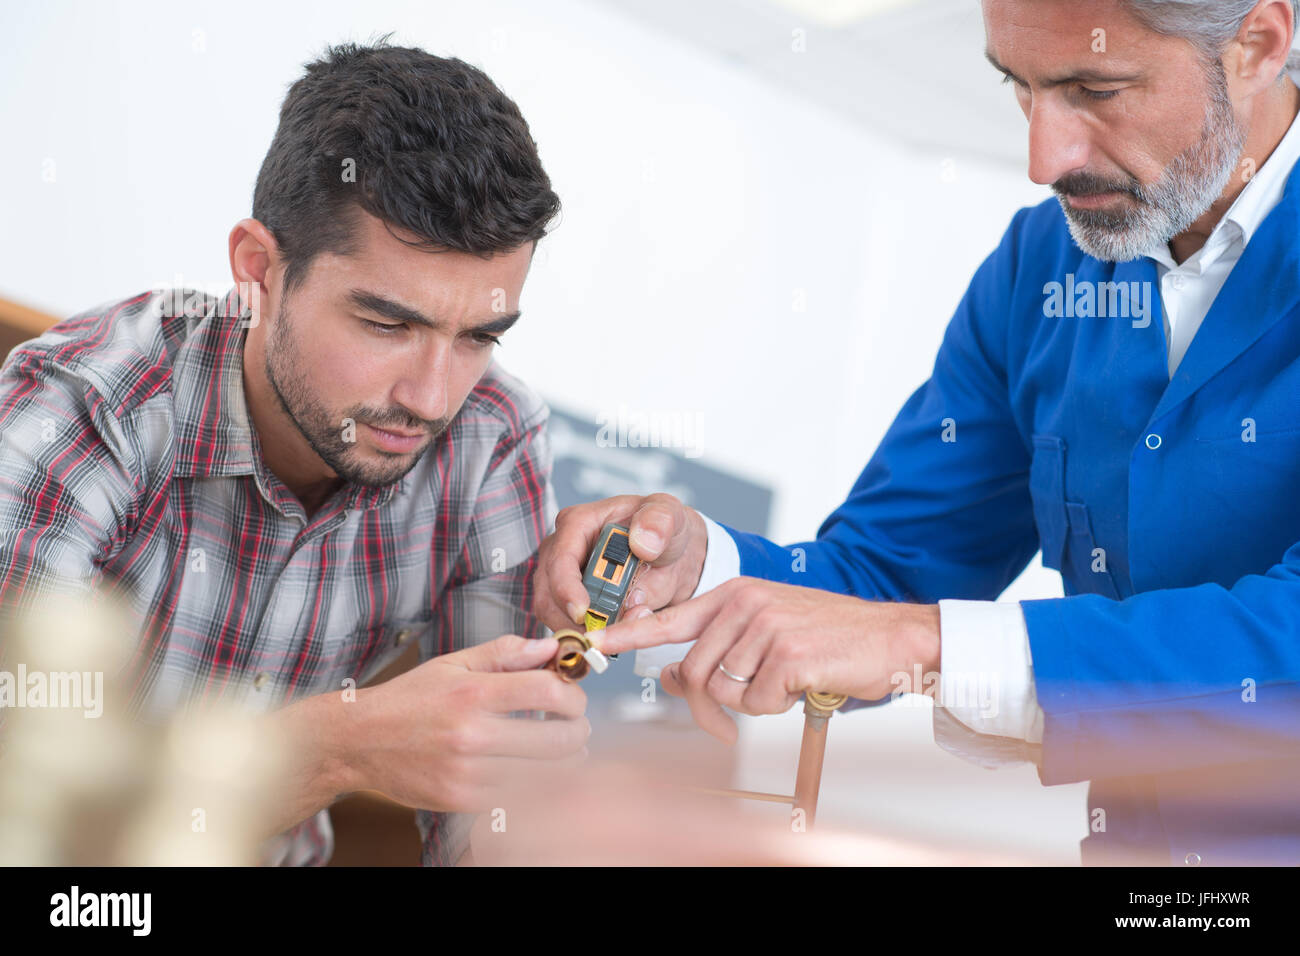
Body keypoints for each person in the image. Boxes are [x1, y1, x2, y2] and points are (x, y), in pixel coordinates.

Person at [536, 0, 1300, 866]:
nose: (1043, 159)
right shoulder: (1039, 271)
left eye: (1096, 89)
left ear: (1257, 45)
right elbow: (884, 576)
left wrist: (926, 645)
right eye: (1020, 88)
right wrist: (703, 568)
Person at [0, 38, 588, 866]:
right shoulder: (89, 404)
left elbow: (499, 814)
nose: (430, 398)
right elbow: (26, 794)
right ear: (257, 271)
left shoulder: (491, 438)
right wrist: (337, 747)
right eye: (387, 324)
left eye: (478, 337)